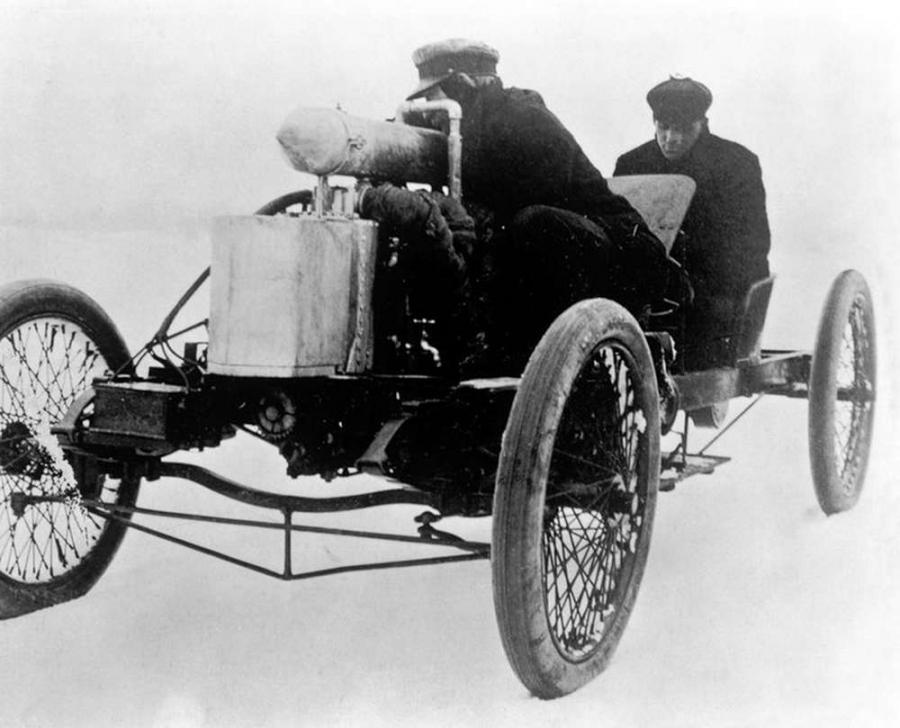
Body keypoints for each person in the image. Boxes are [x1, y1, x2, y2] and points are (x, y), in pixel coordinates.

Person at [362, 39, 672, 376]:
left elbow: (529, 207)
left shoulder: (525, 118)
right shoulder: (471, 123)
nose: (428, 110)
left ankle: (523, 357)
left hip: (616, 258)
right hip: (559, 258)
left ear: (461, 86)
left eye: (432, 97)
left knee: (532, 225)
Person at [614, 76, 771, 369]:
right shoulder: (632, 164)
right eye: (663, 127)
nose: (671, 138)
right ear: (654, 122)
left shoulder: (737, 164)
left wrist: (717, 295)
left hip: (714, 287)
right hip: (653, 283)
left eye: (683, 129)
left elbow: (753, 244)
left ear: (703, 123)